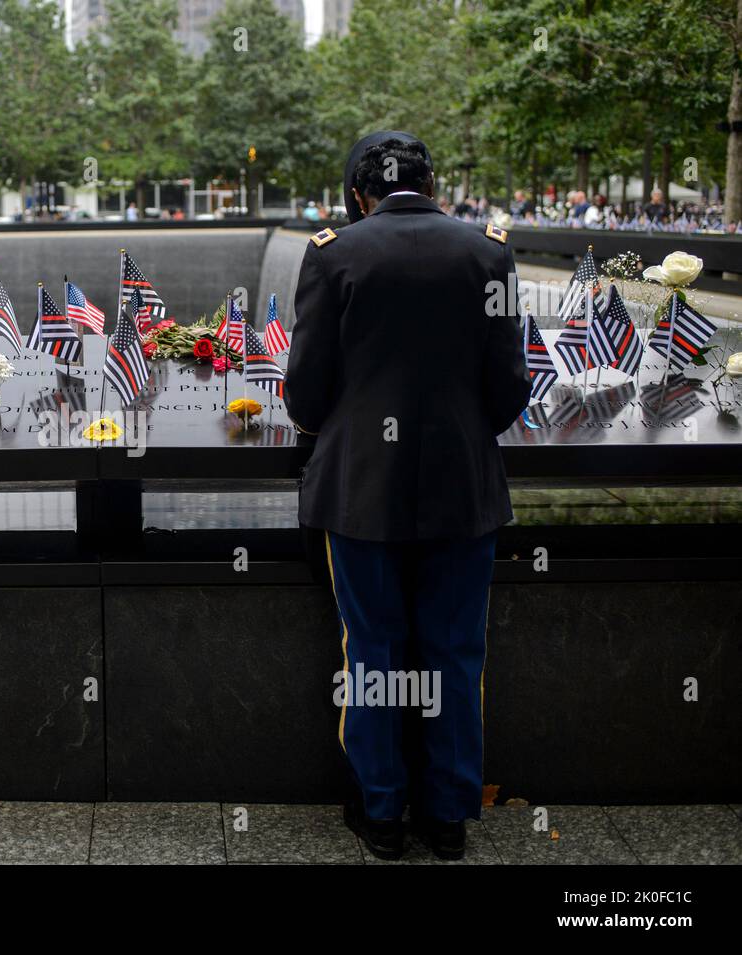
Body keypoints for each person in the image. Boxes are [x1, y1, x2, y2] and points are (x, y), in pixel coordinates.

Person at [285, 131, 531, 861]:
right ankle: (449, 817)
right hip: (464, 492)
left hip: (361, 491)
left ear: (360, 194)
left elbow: (304, 394)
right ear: (433, 183)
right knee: (456, 651)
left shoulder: (333, 254)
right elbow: (510, 388)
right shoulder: (490, 252)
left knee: (373, 651)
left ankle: (383, 815)